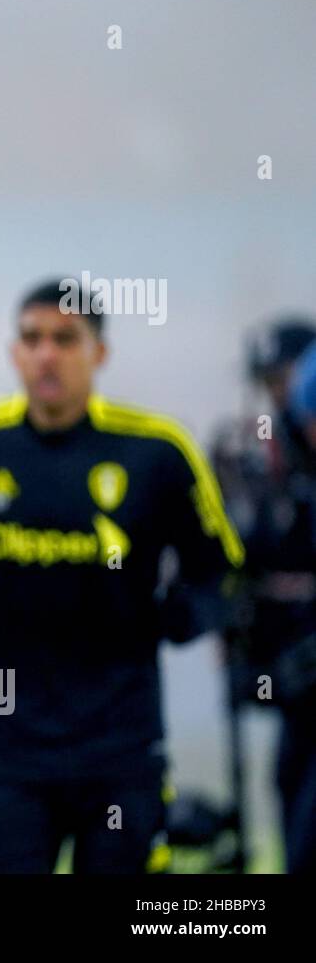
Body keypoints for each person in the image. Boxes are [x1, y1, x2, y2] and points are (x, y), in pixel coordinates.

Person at [0, 278, 243, 873]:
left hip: (120, 748)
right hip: (6, 754)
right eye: (32, 338)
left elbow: (220, 569)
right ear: (14, 352)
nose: (47, 353)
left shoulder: (157, 451)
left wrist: (177, 621)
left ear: (99, 353)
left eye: (65, 339)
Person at [215, 319, 316, 874]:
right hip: (291, 692)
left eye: (285, 380)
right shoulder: (256, 464)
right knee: (288, 802)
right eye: (270, 382)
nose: (278, 397)